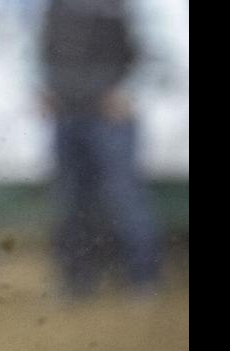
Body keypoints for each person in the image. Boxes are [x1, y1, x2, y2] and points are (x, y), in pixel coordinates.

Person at [41, 0, 160, 298]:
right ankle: (76, 281)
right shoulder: (56, 6)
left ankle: (142, 279)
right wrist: (46, 88)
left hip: (110, 111)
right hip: (67, 109)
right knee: (70, 200)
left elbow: (147, 46)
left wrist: (126, 91)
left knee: (122, 196)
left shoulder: (121, 5)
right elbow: (46, 47)